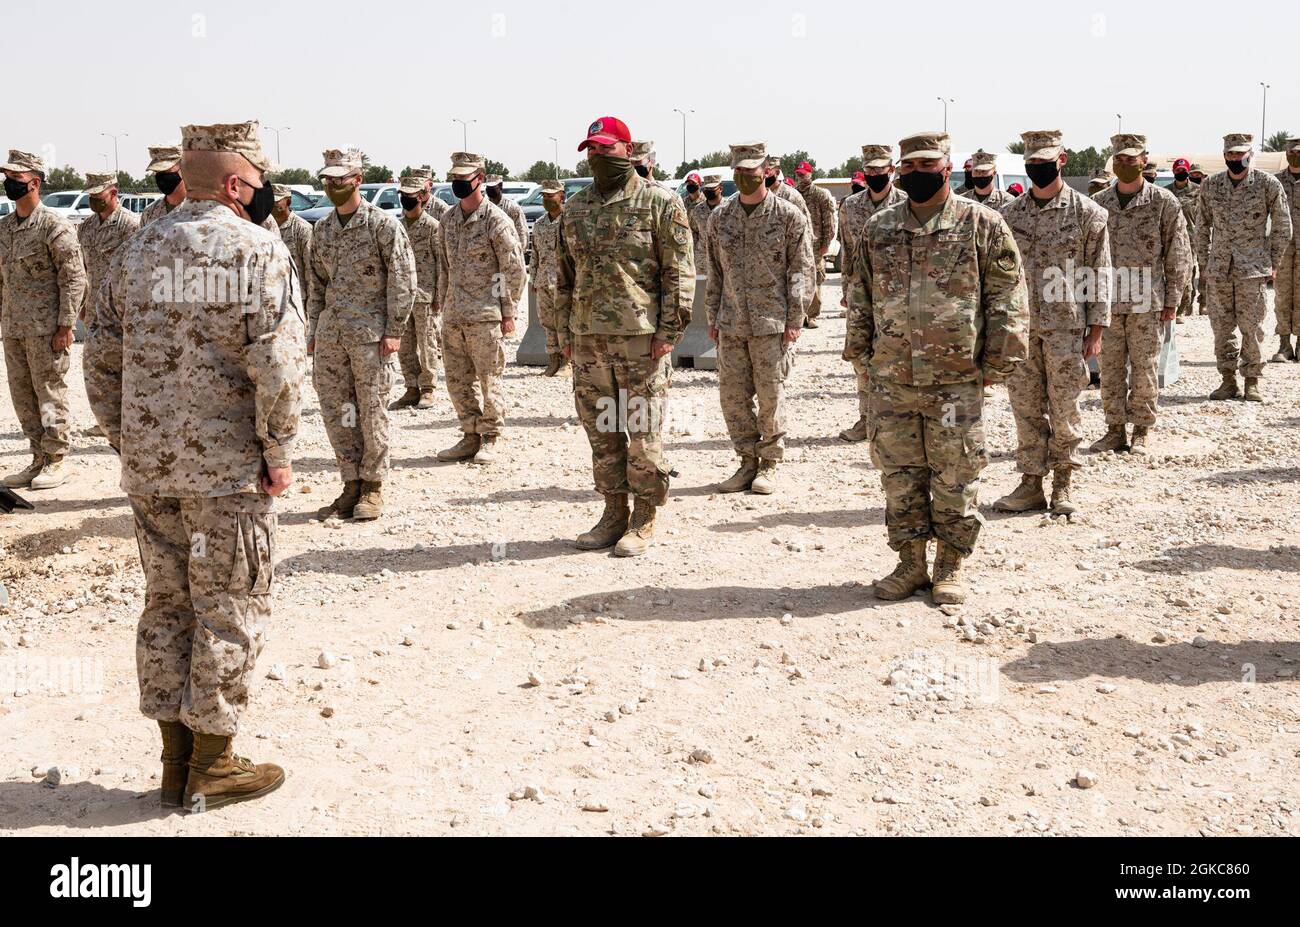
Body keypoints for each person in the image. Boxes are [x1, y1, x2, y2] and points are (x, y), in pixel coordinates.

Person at [84, 120, 303, 812]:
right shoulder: (257, 251)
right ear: (238, 184)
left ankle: (175, 764)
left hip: (151, 473)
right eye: (259, 182)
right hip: (227, 474)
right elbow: (277, 364)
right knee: (228, 604)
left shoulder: (137, 248)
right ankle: (214, 763)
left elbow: (100, 357)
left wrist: (128, 441)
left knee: (168, 604)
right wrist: (278, 451)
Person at [845, 131, 1027, 603]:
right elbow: (860, 296)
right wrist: (861, 357)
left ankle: (950, 565)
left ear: (948, 169)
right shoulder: (880, 228)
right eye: (909, 168)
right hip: (892, 377)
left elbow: (1007, 297)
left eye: (927, 167)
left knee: (955, 471)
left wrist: (997, 364)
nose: (916, 175)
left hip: (956, 378)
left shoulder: (982, 224)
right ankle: (909, 564)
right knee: (900, 473)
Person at [555, 115, 694, 557]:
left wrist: (669, 331)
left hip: (641, 339)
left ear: (628, 151)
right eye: (591, 150)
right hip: (589, 338)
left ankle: (644, 517)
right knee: (602, 431)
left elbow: (679, 273)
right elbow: (561, 275)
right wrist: (564, 333)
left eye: (605, 149)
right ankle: (613, 512)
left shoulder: (660, 202)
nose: (597, 157)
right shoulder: (575, 208)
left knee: (641, 431)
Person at [995, 130, 1111, 517]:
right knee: (1025, 407)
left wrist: (1096, 331)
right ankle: (1031, 483)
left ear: (1062, 160)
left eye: (1044, 163)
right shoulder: (1009, 216)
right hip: (1021, 329)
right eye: (1031, 165)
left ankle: (1063, 481)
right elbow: (999, 276)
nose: (1037, 170)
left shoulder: (1088, 213)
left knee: (1064, 407)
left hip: (1067, 328)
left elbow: (1100, 274)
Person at [308, 148, 416, 519]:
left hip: (372, 336)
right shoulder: (321, 230)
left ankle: (372, 486)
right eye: (328, 180)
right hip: (332, 336)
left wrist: (395, 329)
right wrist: (314, 329)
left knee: (371, 412)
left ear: (357, 179)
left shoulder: (381, 225)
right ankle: (349, 483)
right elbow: (316, 285)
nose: (333, 185)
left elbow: (403, 277)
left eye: (340, 179)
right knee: (339, 412)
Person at [706, 142, 814, 495]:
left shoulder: (788, 216)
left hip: (772, 323)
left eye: (752, 171)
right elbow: (715, 273)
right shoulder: (720, 218)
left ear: (766, 171)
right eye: (739, 172)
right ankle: (746, 461)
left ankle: (769, 463)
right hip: (732, 321)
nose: (746, 177)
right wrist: (712, 317)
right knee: (733, 398)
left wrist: (795, 319)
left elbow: (802, 269)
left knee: (770, 395)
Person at [1089, 134, 1191, 455]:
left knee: (1145, 367)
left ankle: (1141, 430)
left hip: (1148, 301)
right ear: (1113, 161)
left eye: (1131, 159)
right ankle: (1114, 429)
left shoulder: (1163, 202)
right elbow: (1087, 254)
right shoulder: (1099, 203)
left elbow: (1179, 253)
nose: (1125, 164)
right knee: (1110, 368)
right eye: (1119, 159)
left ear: (1143, 160)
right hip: (1108, 302)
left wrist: (1173, 299)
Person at [0, 149, 88, 491]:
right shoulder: (5, 228)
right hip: (14, 328)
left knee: (49, 394)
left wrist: (66, 325)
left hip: (47, 330)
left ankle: (57, 459)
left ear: (34, 183)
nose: (9, 184)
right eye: (7, 179)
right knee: (22, 396)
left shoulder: (54, 225)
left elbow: (73, 277)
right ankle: (37, 456)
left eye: (16, 180)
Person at [434, 153, 526, 465]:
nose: (458, 184)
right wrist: (442, 304)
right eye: (455, 178)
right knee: (457, 379)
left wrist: (507, 311)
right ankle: (469, 434)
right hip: (454, 314)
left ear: (480, 178)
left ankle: (492, 435)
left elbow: (511, 270)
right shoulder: (447, 220)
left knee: (489, 379)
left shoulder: (496, 220)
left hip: (486, 315)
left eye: (464, 178)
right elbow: (445, 268)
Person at [1195, 133, 1291, 401]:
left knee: (1252, 327)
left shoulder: (1266, 184)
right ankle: (1227, 381)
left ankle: (1251, 381)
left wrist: (1274, 262)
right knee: (1222, 327)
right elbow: (1202, 227)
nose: (1235, 159)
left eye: (1240, 154)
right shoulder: (1211, 186)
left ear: (1250, 153)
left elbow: (1283, 227)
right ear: (1224, 154)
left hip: (1253, 269)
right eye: (1230, 154)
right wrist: (1204, 262)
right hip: (1220, 269)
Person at [837, 144, 907, 443]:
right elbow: (848, 252)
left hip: (899, 297)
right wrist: (846, 290)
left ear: (892, 169)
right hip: (861, 295)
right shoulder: (851, 207)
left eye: (881, 169)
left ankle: (898, 421)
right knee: (862, 358)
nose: (875, 174)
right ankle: (866, 419)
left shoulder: (908, 202)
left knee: (901, 357)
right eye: (870, 170)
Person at [390, 174, 442, 409]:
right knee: (405, 345)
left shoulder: (432, 226)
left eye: (411, 196)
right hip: (402, 296)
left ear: (421, 197)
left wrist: (439, 297)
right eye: (403, 196)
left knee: (427, 342)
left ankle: (428, 388)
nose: (406, 200)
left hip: (425, 295)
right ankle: (411, 387)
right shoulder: (397, 226)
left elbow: (442, 263)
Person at [77, 171, 140, 325]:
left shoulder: (130, 225)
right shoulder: (86, 227)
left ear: (113, 193)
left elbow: (136, 273)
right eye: (90, 196)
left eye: (97, 196)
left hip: (118, 313)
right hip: (93, 311)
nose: (93, 200)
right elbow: (84, 269)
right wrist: (84, 304)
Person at [529, 178, 568, 376]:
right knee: (547, 322)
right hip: (544, 280)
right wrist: (533, 279)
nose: (546, 199)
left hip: (564, 281)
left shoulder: (570, 221)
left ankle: (567, 362)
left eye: (550, 195)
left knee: (565, 321)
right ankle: (553, 359)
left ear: (561, 195)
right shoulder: (539, 224)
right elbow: (534, 254)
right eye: (543, 195)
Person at [792, 160, 837, 328]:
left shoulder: (820, 194)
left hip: (815, 245)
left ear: (811, 174)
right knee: (797, 279)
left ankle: (812, 315)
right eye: (798, 174)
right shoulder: (794, 194)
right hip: (797, 244)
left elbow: (829, 222)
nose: (800, 177)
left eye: (803, 174)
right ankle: (799, 314)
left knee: (815, 278)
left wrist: (826, 243)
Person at [1271, 138, 1300, 361]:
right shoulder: (1276, 182)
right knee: (1282, 295)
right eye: (1292, 151)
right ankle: (1283, 345)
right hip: (1282, 247)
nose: (1295, 154)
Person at [1168, 158, 1200, 322]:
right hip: (1170, 238)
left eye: (1183, 170)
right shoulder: (1166, 192)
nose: (1181, 173)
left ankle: (1183, 308)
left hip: (1191, 239)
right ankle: (1174, 306)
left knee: (1188, 273)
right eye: (1178, 171)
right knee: (1172, 273)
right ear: (1174, 172)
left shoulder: (1198, 191)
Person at [270, 184, 312, 281]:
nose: (272, 204)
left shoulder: (302, 228)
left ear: (288, 201)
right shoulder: (263, 226)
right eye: (269, 200)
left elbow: (310, 268)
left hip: (296, 292)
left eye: (276, 201)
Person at [140, 144, 185, 227]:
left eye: (166, 170)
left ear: (184, 167)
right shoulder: (149, 213)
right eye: (157, 171)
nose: (161, 176)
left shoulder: (200, 209)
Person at [485, 174, 529, 249]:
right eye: (488, 187)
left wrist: (520, 252)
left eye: (493, 187)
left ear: (500, 186)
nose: (490, 189)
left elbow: (522, 232)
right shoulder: (484, 207)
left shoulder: (512, 207)